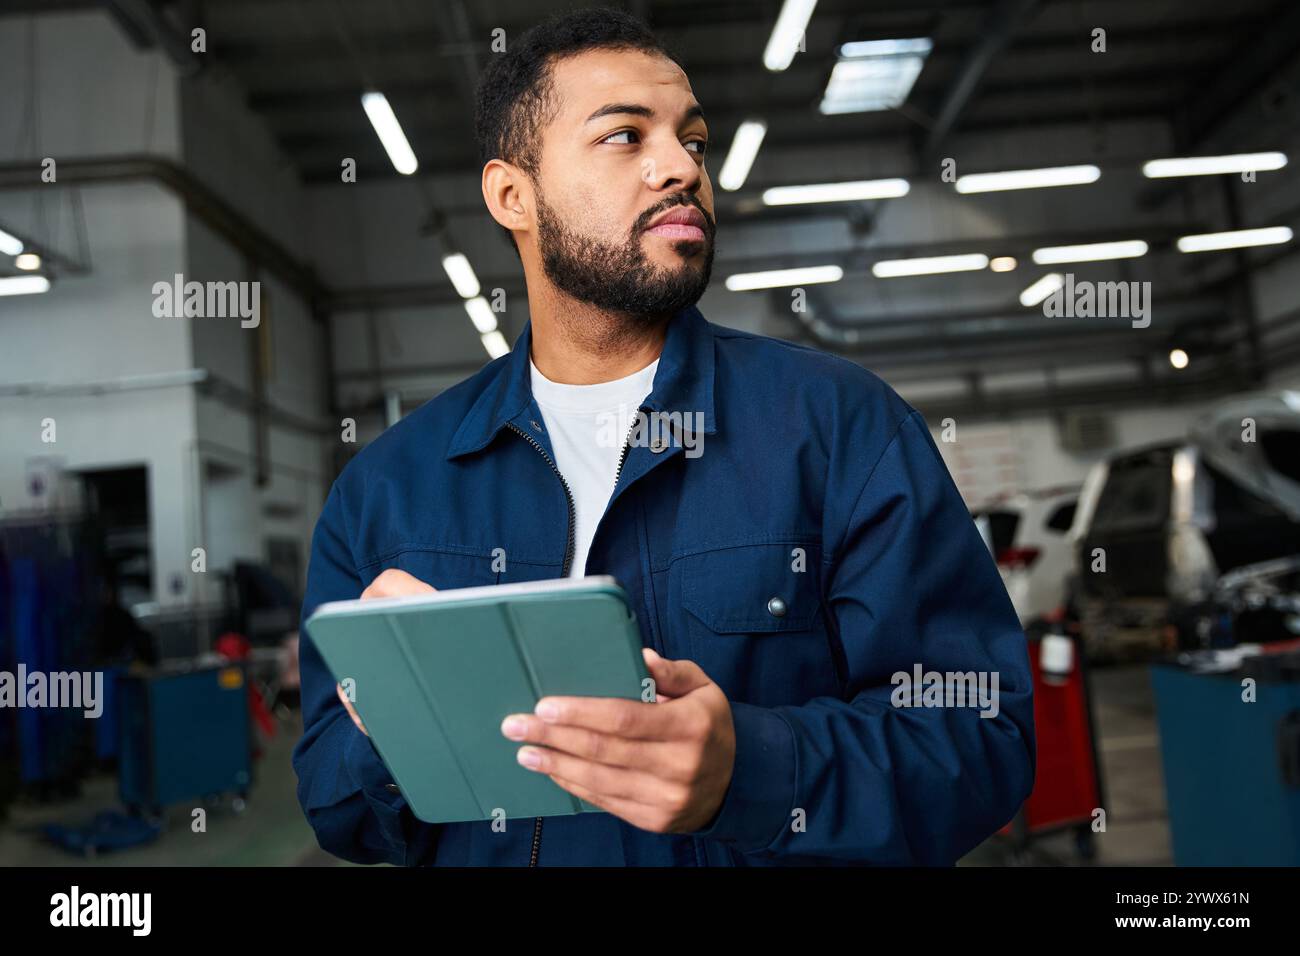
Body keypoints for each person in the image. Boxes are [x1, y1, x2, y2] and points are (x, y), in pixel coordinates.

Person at [292, 6, 1034, 866]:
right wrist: (403, 717)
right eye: (624, 137)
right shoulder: (388, 489)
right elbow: (334, 804)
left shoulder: (835, 428)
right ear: (512, 195)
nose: (680, 167)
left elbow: (982, 737)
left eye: (694, 140)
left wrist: (751, 773)